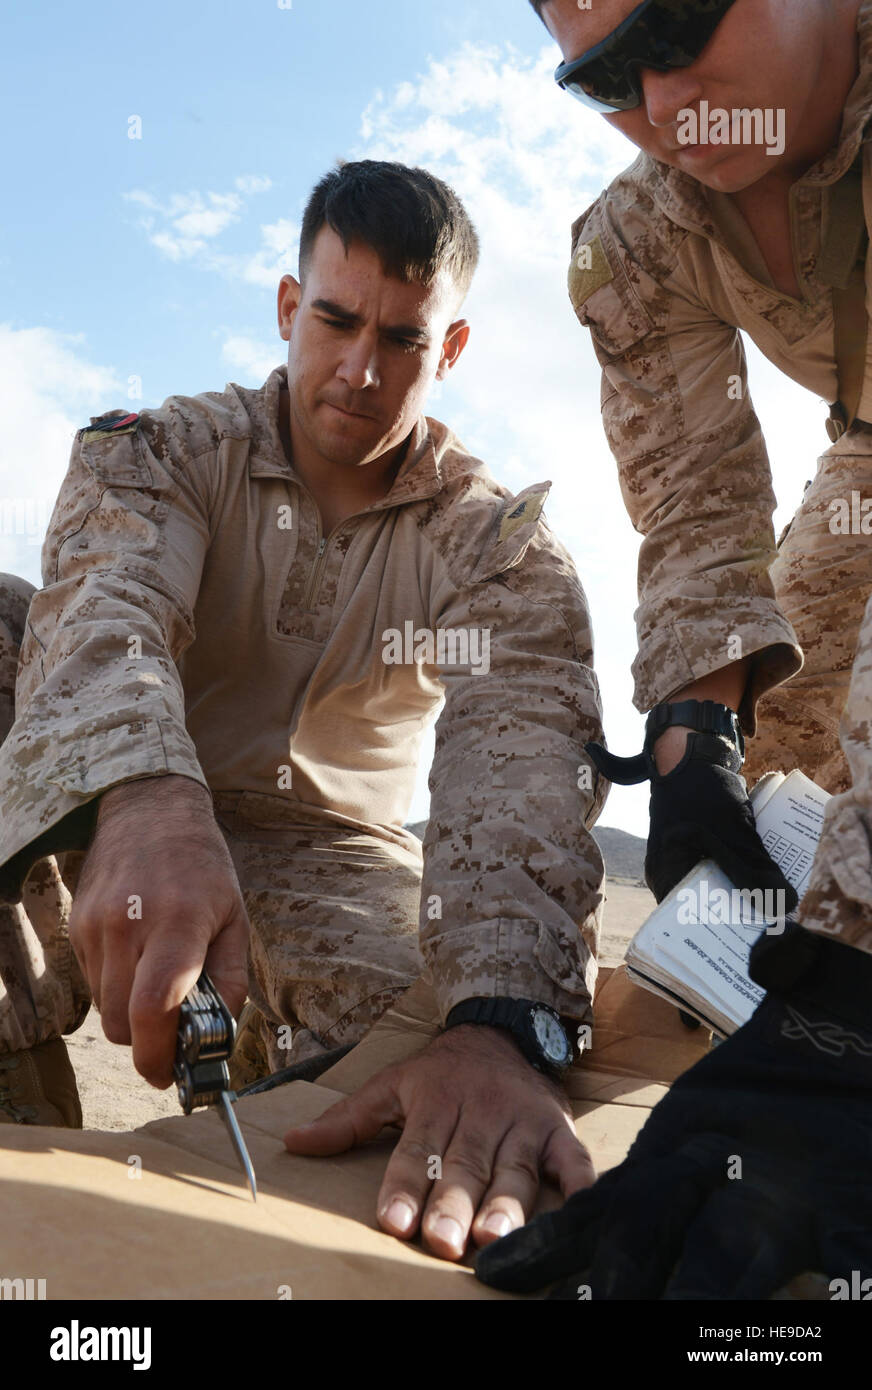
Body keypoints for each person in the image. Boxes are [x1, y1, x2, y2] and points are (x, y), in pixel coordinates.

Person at [0, 159, 609, 1263]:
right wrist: (145, 793)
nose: (360, 369)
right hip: (115, 807)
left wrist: (498, 1023)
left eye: (402, 340)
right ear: (290, 307)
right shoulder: (164, 453)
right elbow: (107, 610)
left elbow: (517, 763)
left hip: (328, 851)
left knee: (424, 1075)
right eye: (334, 321)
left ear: (452, 350)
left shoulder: (492, 551)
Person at [474, 0, 872, 1298]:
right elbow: (699, 501)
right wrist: (699, 737)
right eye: (608, 78)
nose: (666, 108)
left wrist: (842, 1017)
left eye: (684, 24)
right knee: (800, 682)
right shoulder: (637, 238)